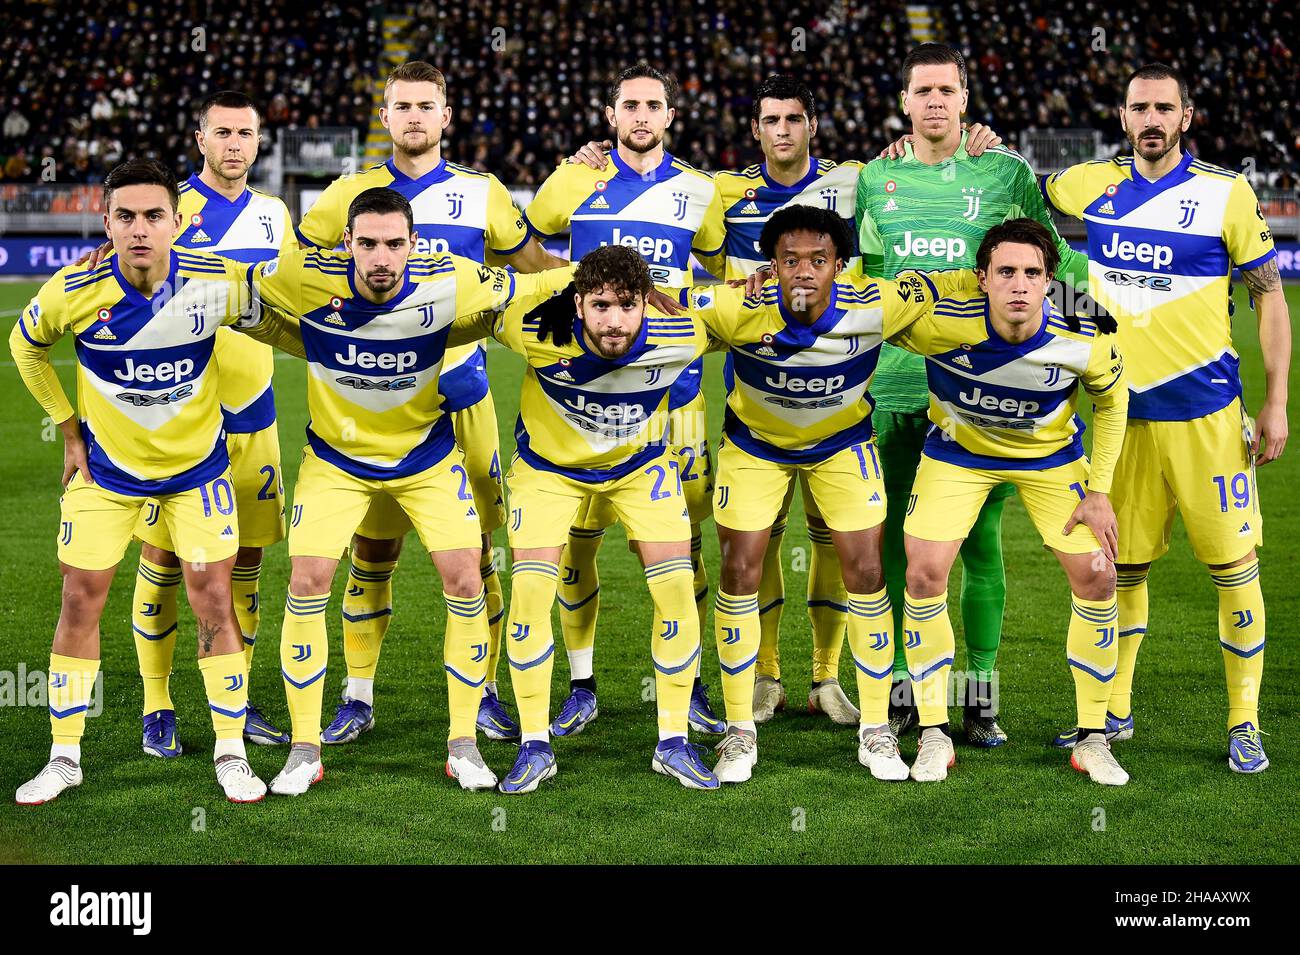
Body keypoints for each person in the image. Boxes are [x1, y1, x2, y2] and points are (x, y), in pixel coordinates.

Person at [1042, 63, 1289, 772]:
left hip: (1206, 416)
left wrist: (1274, 402)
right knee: (1120, 568)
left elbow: (1269, 299)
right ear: (1123, 117)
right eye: (1139, 108)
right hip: (1118, 419)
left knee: (1235, 567)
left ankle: (1245, 721)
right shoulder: (1091, 185)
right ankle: (1113, 711)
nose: (1151, 118)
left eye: (1164, 108)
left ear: (1186, 117)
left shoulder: (1226, 194)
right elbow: (1018, 183)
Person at [11, 159, 268, 805]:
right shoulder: (75, 286)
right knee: (80, 597)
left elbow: (280, 311)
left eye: (154, 215)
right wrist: (68, 428)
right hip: (106, 474)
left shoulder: (218, 282)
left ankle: (231, 751)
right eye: (125, 216)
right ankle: (64, 757)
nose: (139, 228)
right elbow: (25, 345)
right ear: (105, 222)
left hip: (197, 473)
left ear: (177, 224)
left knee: (213, 597)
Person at [890, 218, 1129, 784]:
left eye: (1032, 273)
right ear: (983, 279)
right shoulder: (938, 326)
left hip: (1052, 461)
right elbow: (870, 314)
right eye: (1005, 272)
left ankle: (1093, 738)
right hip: (957, 454)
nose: (1019, 284)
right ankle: (931, 732)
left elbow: (1112, 403)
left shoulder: (1088, 330)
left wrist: (1099, 491)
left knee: (1098, 576)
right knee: (924, 573)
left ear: (1051, 281)